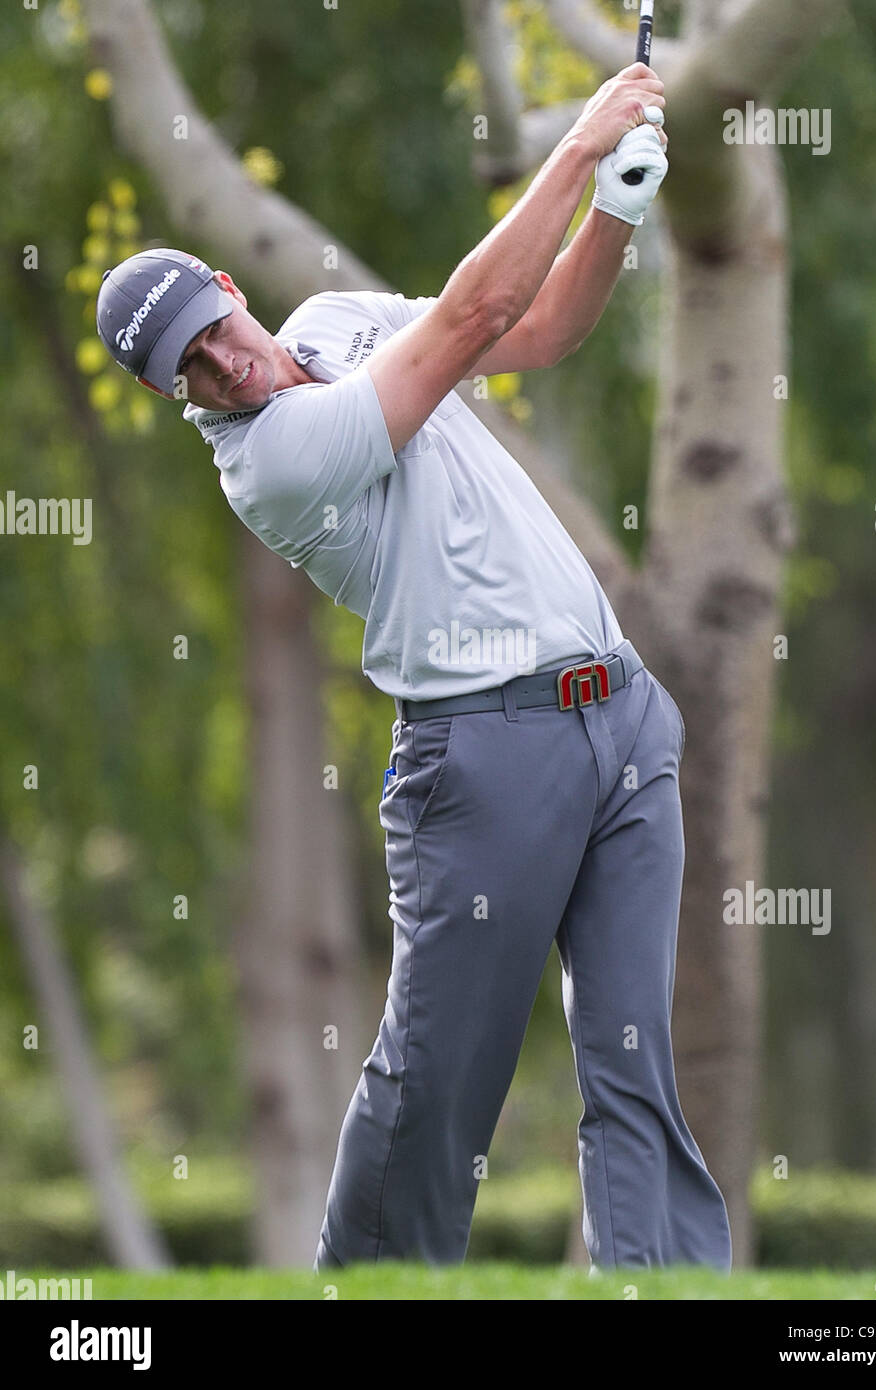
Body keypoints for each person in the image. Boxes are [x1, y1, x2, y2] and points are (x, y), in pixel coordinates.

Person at [96, 61, 731, 1273]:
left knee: (636, 1056)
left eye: (214, 332)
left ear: (232, 292)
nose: (224, 366)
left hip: (625, 721)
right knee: (441, 1077)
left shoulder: (329, 323)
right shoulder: (269, 459)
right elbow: (470, 318)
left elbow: (536, 326)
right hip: (482, 760)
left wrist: (618, 211)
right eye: (189, 368)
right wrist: (580, 145)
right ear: (169, 391)